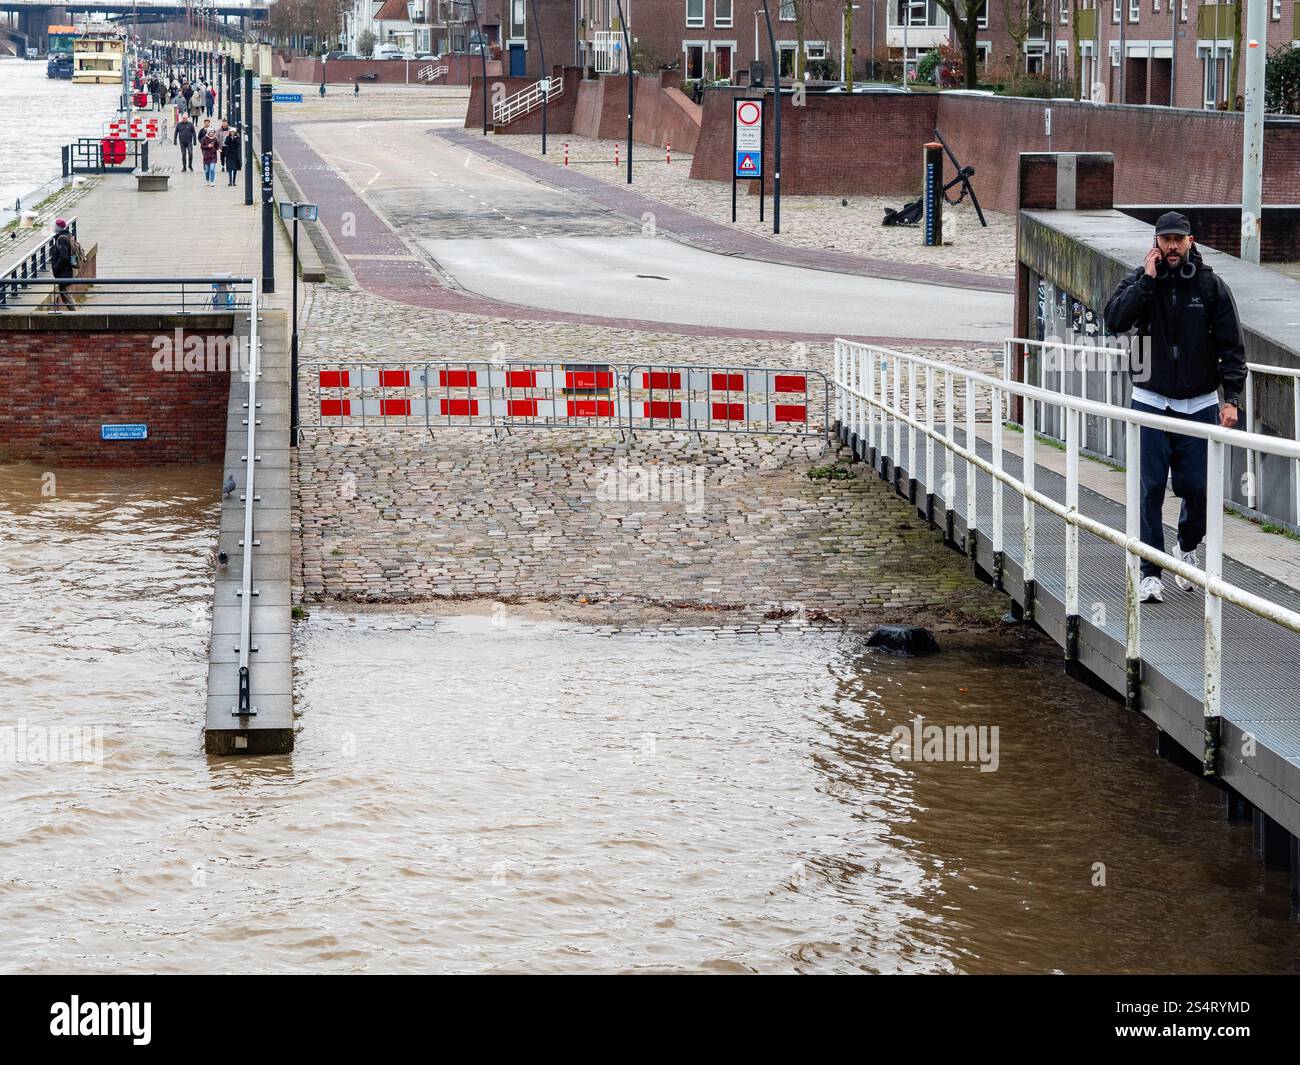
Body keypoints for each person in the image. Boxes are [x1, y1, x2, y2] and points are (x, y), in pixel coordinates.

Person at [1103, 211, 1246, 604]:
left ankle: (1187, 544)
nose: (1171, 246)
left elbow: (1233, 347)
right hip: (1149, 401)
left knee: (1197, 488)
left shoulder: (1211, 286)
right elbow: (1114, 319)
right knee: (1149, 489)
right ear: (1155, 243)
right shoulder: (1139, 280)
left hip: (1199, 404)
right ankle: (1150, 571)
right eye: (1165, 239)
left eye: (1177, 240)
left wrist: (1231, 398)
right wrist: (1147, 283)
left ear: (1190, 242)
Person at [49, 218, 80, 313]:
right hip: (65, 272)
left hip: (63, 272)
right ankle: (76, 313)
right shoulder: (65, 236)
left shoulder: (61, 239)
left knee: (66, 294)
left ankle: (77, 314)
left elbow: (64, 257)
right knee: (65, 294)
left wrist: (55, 267)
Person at [199, 120, 219, 186]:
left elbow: (217, 146)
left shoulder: (215, 139)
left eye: (213, 132)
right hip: (206, 156)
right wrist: (208, 146)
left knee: (212, 169)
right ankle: (207, 180)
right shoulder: (204, 139)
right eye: (210, 132)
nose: (212, 133)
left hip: (213, 156)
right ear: (208, 133)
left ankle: (212, 181)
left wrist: (219, 149)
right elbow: (202, 147)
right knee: (207, 170)